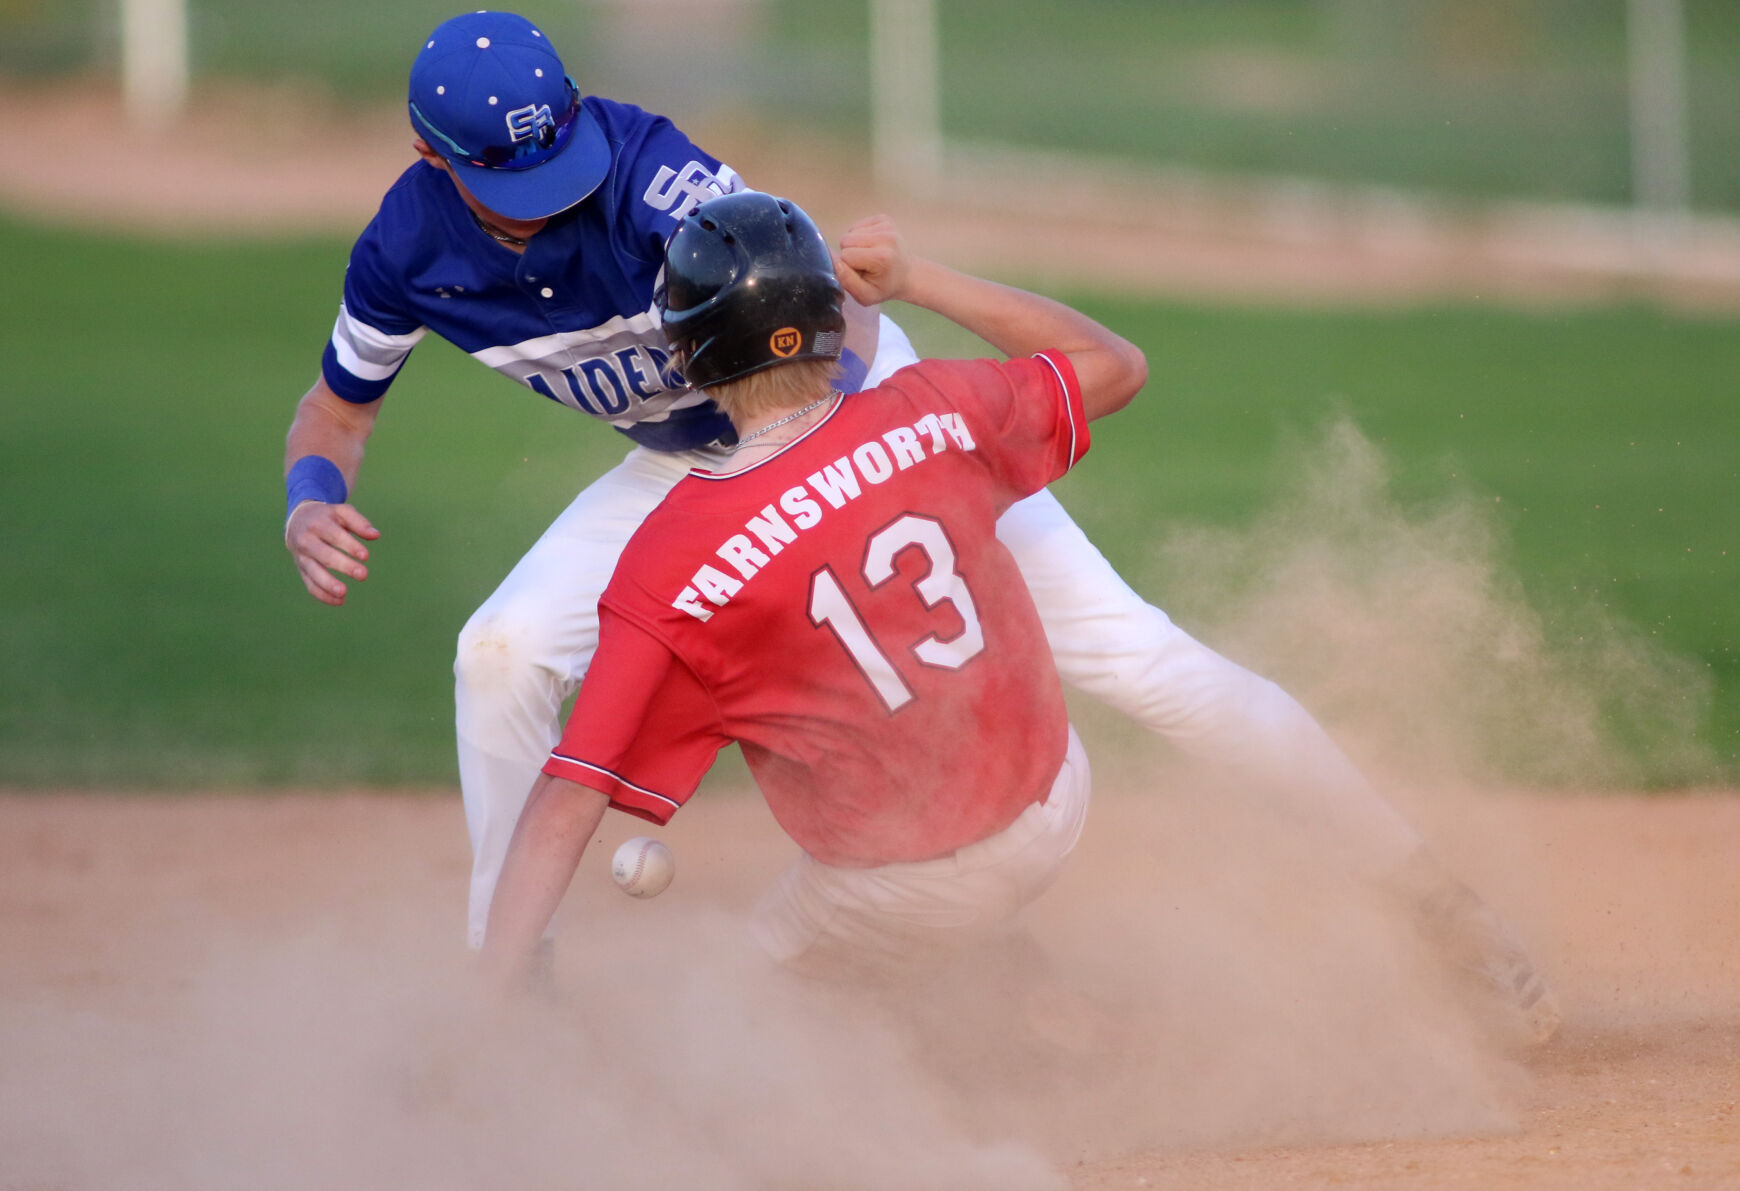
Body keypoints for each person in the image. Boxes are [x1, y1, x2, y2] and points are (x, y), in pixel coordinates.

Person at [283, 11, 1558, 1041]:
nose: (550, 195)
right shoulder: (404, 254)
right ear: (431, 155)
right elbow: (333, 418)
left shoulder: (654, 175)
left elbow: (809, 326)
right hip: (691, 466)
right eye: (511, 181)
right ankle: (508, 996)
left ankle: (1436, 903)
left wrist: (810, 527)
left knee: (1136, 655)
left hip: (858, 414)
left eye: (556, 159)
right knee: (498, 654)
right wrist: (312, 497)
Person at [480, 192, 1143, 988]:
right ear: (833, 322)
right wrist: (915, 277)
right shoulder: (937, 407)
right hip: (1057, 796)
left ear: (686, 359)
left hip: (905, 887)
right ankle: (983, 962)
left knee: (732, 1008)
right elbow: (1116, 363)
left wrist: (491, 996)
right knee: (923, 889)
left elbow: (570, 793)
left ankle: (976, 1012)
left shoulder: (671, 562)